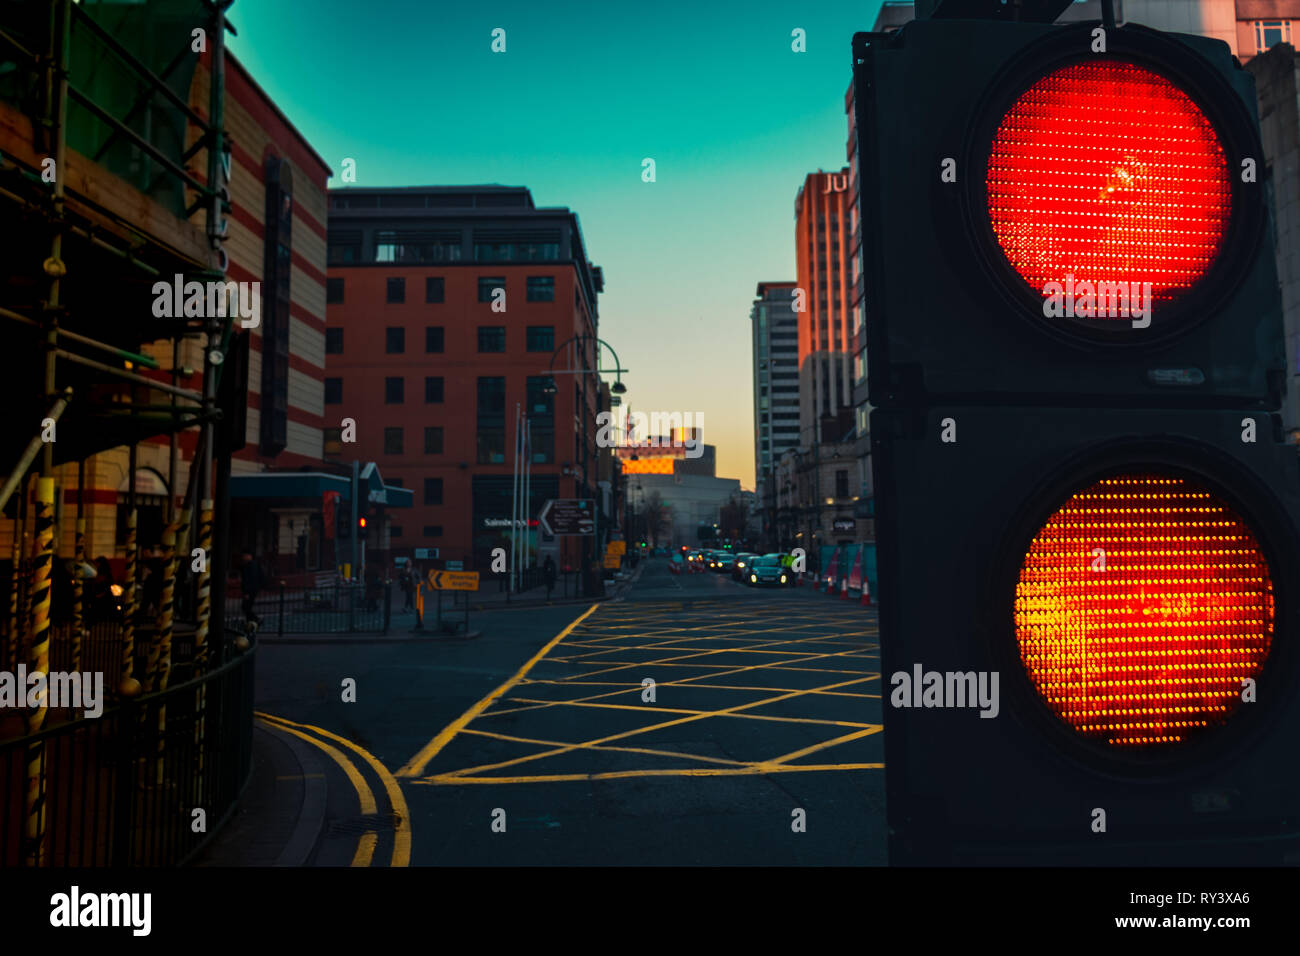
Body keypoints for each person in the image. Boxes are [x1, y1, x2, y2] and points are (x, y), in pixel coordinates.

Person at [240, 551, 264, 629]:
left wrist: (246, 592)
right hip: (253, 589)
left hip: (250, 590)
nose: (243, 557)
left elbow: (248, 579)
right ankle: (250, 623)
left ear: (249, 556)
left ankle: (256, 620)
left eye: (244, 555)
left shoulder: (249, 565)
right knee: (247, 607)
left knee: (246, 607)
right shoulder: (254, 564)